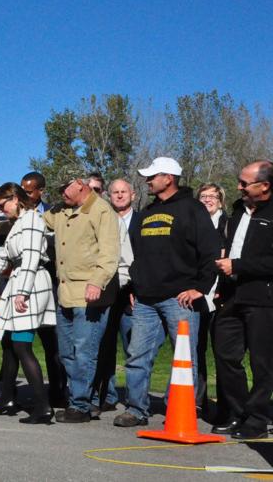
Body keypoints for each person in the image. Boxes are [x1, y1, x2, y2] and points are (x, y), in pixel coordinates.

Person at [115, 157, 220, 427]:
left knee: (184, 356)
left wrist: (200, 288)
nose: (148, 180)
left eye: (153, 176)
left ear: (169, 178)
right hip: (146, 299)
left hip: (180, 299)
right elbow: (137, 254)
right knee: (137, 355)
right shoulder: (147, 212)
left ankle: (180, 411)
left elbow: (210, 252)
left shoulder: (193, 209)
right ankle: (136, 410)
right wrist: (134, 285)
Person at [0, 171, 66, 412]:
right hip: (22, 283)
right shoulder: (18, 224)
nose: (2, 211)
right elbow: (4, 258)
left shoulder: (34, 221)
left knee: (21, 346)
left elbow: (30, 259)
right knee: (8, 343)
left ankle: (43, 407)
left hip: (32, 285)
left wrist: (22, 294)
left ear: (15, 199)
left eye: (3, 205)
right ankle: (6, 398)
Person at [43, 169, 119, 423]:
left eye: (65, 187)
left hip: (89, 296)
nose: (61, 193)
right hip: (65, 293)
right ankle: (76, 398)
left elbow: (109, 253)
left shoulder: (102, 211)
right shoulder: (61, 211)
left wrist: (97, 282)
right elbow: (33, 222)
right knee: (66, 352)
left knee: (84, 352)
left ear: (79, 185)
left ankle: (81, 406)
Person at [212, 161, 273, 439]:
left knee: (262, 362)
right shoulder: (237, 209)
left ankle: (257, 418)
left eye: (244, 183)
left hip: (263, 298)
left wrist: (238, 266)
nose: (239, 187)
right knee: (226, 355)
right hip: (230, 294)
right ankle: (237, 412)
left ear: (265, 186)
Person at [92, 179, 141, 415]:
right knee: (104, 346)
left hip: (132, 294)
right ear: (108, 195)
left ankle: (134, 401)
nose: (119, 196)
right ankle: (107, 395)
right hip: (107, 293)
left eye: (124, 192)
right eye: (115, 192)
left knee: (134, 348)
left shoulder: (142, 221)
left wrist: (137, 289)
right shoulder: (103, 218)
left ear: (133, 194)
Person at [196, 183, 228, 418]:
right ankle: (198, 399)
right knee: (197, 349)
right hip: (198, 293)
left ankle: (226, 405)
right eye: (203, 196)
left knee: (222, 350)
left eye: (212, 196)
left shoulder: (229, 224)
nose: (207, 200)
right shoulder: (194, 224)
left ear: (220, 200)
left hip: (220, 294)